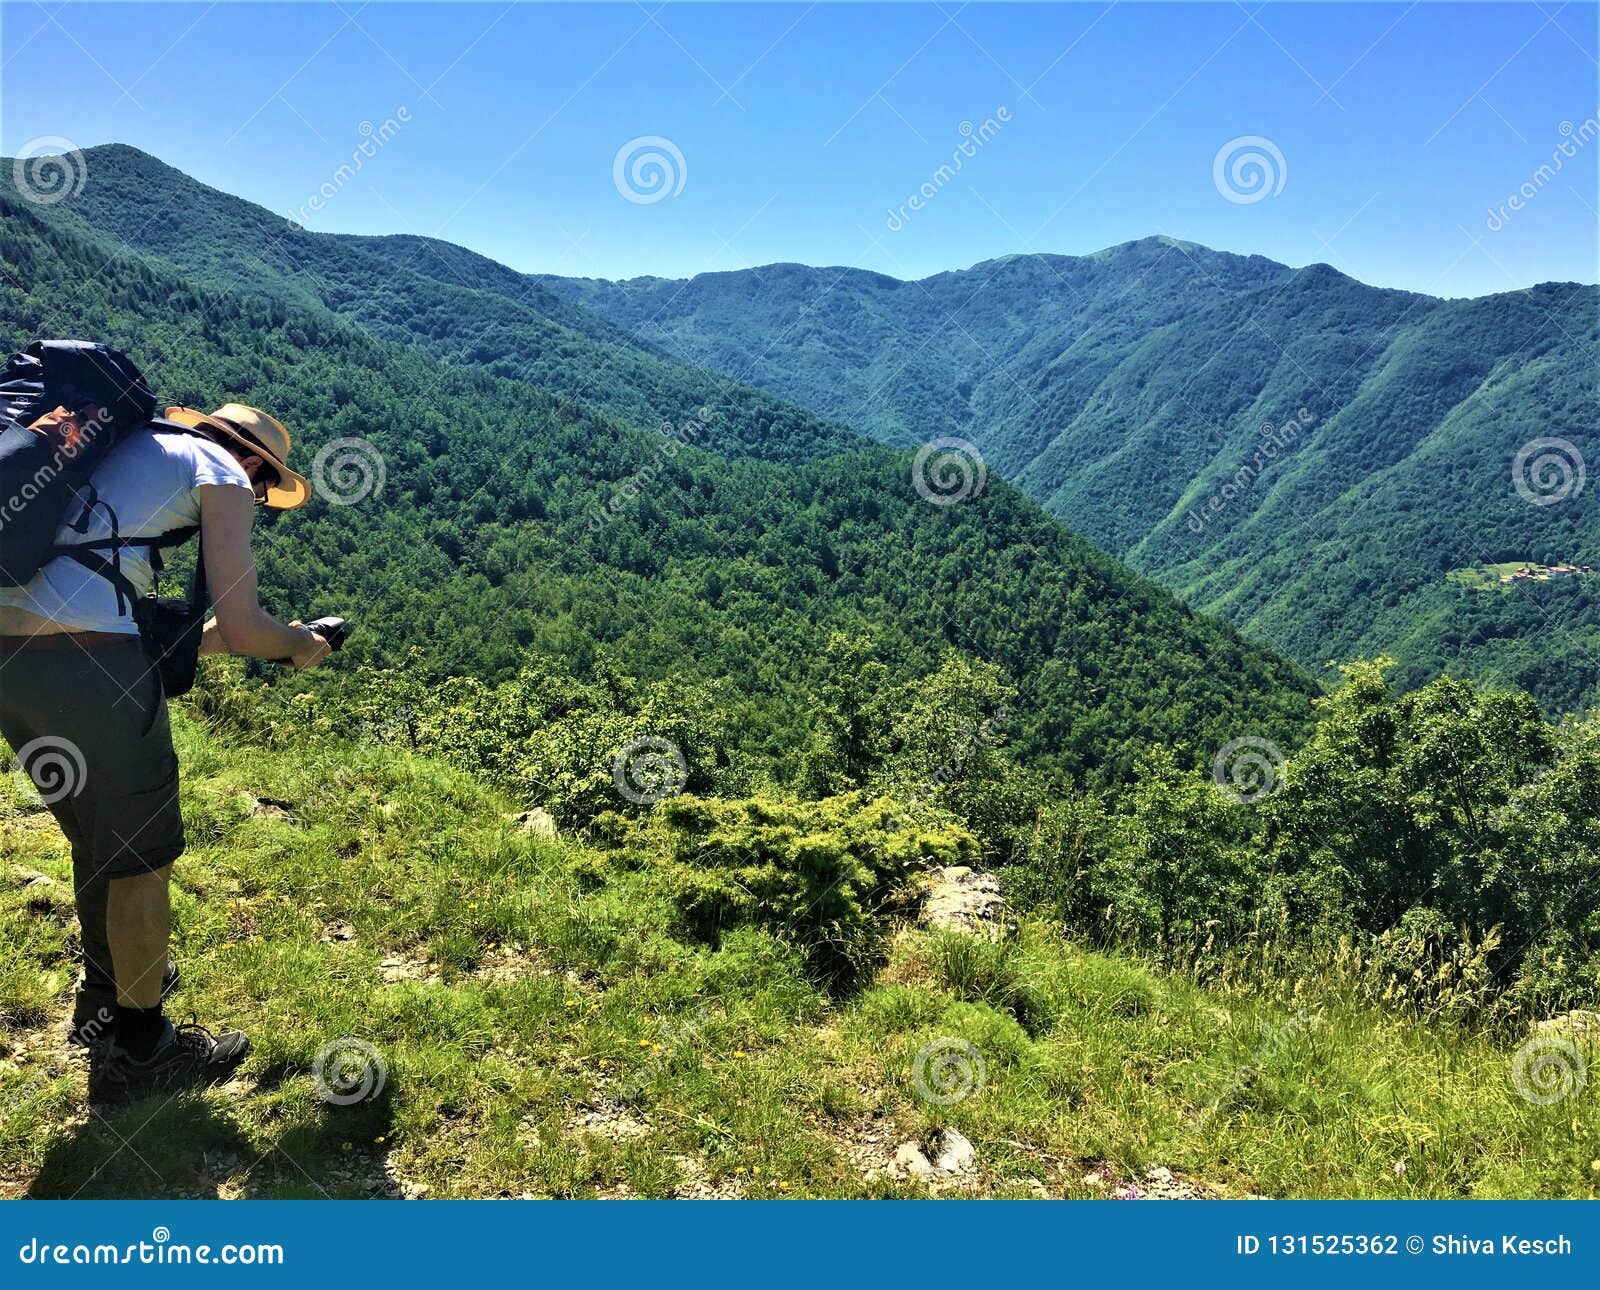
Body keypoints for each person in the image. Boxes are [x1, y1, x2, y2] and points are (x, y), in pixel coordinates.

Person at [0, 401, 336, 1094]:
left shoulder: (119, 451)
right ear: (252, 461)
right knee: (143, 860)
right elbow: (242, 629)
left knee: (99, 840)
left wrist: (284, 638)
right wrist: (302, 646)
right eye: (268, 487)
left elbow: (168, 638)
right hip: (92, 664)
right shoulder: (220, 472)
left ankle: (104, 1001)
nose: (263, 499)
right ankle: (144, 1047)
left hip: (14, 663)